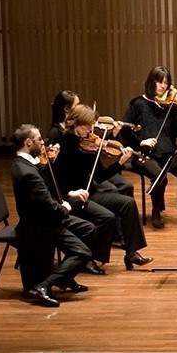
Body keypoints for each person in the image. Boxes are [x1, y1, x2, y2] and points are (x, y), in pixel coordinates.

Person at [49, 100, 150, 269]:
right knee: (107, 217)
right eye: (87, 126)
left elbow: (100, 175)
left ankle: (131, 253)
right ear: (76, 124)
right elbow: (57, 182)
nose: (91, 131)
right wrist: (70, 194)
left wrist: (120, 163)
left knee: (128, 203)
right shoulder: (66, 144)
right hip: (74, 197)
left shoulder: (87, 144)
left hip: (91, 192)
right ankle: (89, 258)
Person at [10, 124, 92, 307]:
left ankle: (65, 277)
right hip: (41, 226)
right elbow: (48, 205)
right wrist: (66, 207)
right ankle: (45, 285)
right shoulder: (28, 172)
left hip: (42, 219)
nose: (43, 142)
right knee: (82, 252)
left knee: (89, 229)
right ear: (29, 142)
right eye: (39, 139)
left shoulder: (24, 163)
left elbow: (45, 192)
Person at [120, 66, 177, 228]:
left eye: (166, 83)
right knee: (160, 176)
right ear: (151, 82)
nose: (163, 86)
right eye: (159, 81)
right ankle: (156, 211)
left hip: (167, 153)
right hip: (143, 154)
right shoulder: (137, 103)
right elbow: (125, 130)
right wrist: (140, 142)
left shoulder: (171, 106)